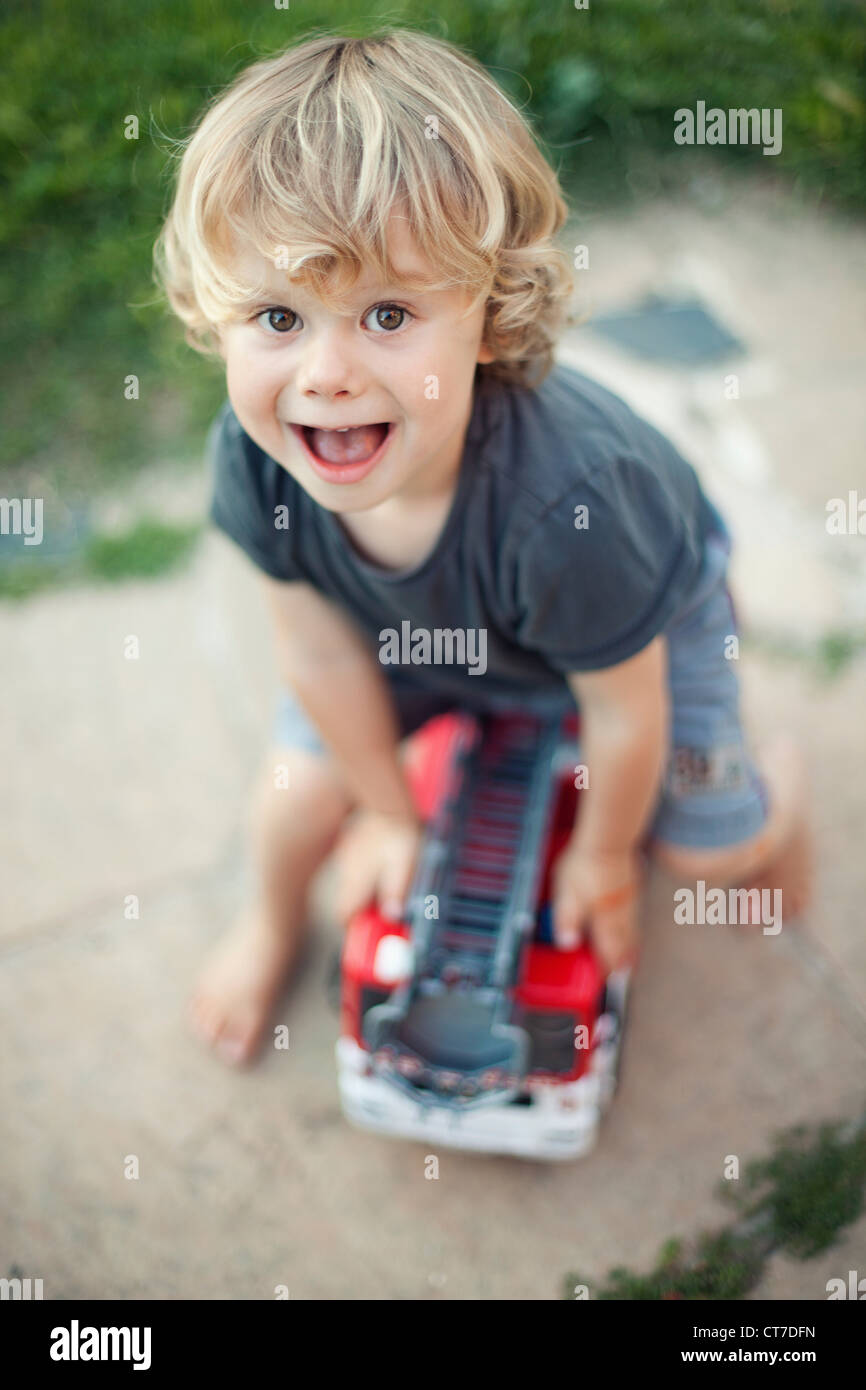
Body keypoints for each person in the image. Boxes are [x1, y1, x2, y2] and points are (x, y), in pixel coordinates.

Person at [152, 29, 811, 1066]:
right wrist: (387, 812)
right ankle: (270, 924)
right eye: (277, 315)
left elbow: (622, 707)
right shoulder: (256, 459)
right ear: (212, 314)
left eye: (385, 313)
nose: (323, 373)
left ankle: (771, 786)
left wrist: (598, 858)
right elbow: (318, 653)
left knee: (706, 855)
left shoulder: (570, 508)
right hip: (412, 632)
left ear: (490, 317)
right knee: (290, 804)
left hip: (629, 628)